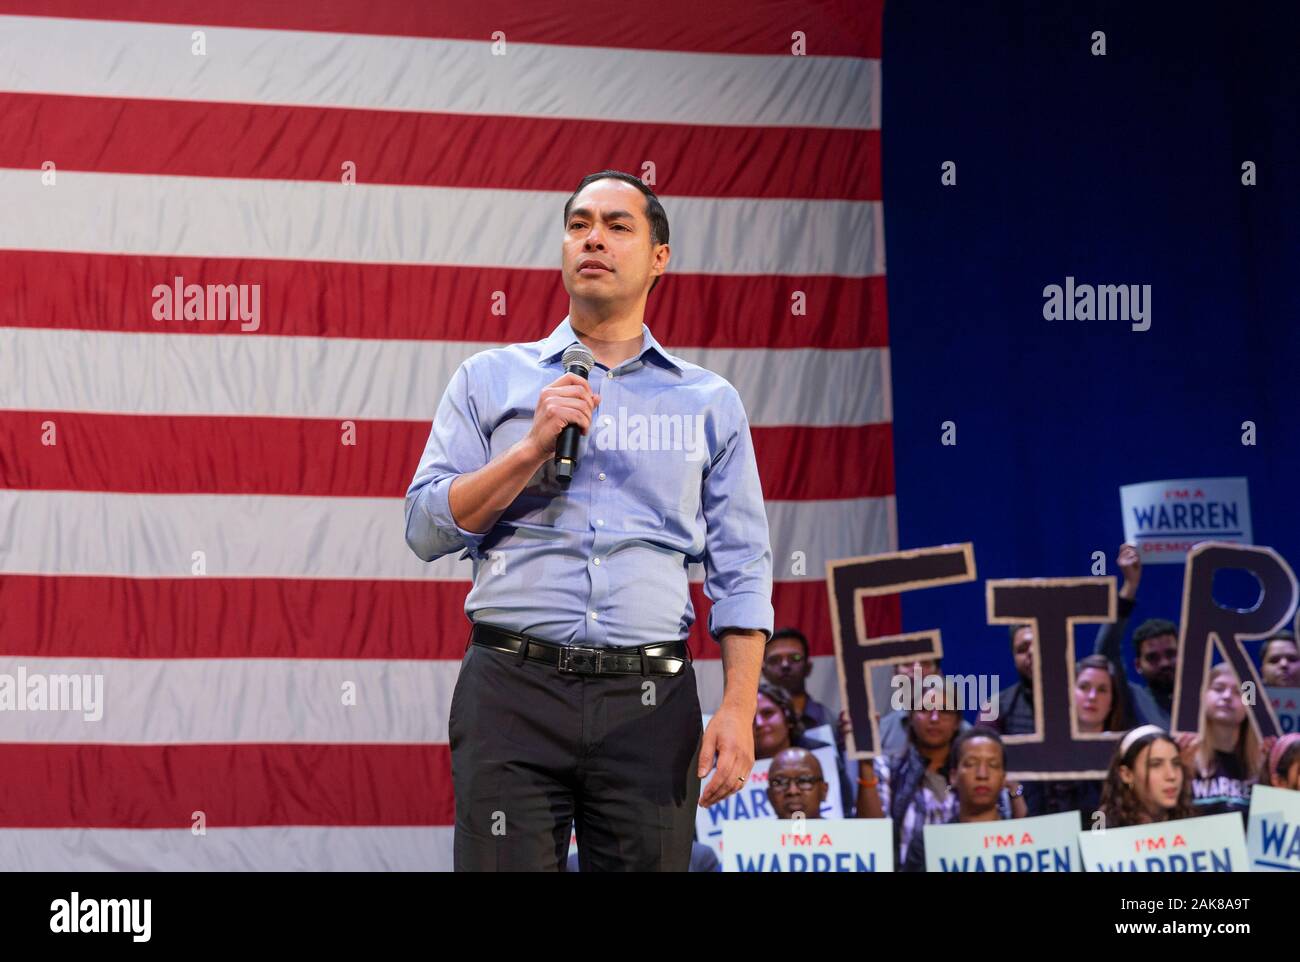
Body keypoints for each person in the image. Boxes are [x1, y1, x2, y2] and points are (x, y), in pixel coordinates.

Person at [406, 170, 774, 871]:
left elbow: (742, 568)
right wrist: (529, 448)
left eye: (616, 225)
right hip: (512, 690)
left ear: (659, 257)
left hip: (650, 701)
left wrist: (735, 707)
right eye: (578, 225)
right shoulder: (489, 378)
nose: (592, 239)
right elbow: (425, 527)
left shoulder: (708, 401)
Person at [862, 688, 1020, 867]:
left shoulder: (979, 772)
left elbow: (1013, 828)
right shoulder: (891, 769)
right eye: (925, 709)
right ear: (911, 717)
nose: (935, 718)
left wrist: (1017, 791)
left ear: (957, 721)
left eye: (944, 711)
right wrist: (865, 762)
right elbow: (871, 836)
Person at [1025, 654, 1126, 826]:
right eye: (1084, 687)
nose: (1092, 696)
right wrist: (1015, 791)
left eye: (1102, 690)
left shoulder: (1123, 753)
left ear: (1112, 702)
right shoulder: (1043, 752)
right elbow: (1032, 816)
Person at [903, 726, 1010, 872]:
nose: (982, 775)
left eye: (993, 765)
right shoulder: (928, 844)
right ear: (953, 776)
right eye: (971, 764)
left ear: (1003, 778)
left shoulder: (1025, 841)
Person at [754, 682, 852, 814]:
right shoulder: (731, 766)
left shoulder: (821, 756)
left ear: (787, 717)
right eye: (750, 718)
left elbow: (846, 811)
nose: (759, 723)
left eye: (768, 713)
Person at [1178, 663, 1259, 820]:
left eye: (1238, 692)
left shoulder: (1260, 765)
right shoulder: (1185, 756)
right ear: (1203, 695)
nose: (1227, 696)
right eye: (1218, 688)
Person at [1097, 725, 1194, 827]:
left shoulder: (1191, 821)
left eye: (1176, 763)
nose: (1171, 775)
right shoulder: (1102, 823)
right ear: (1127, 774)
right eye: (1155, 765)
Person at [762, 627, 836, 736]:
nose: (785, 665)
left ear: (808, 667)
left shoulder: (832, 722)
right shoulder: (752, 725)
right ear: (764, 671)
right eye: (774, 659)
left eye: (795, 658)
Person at [766, 748, 829, 820]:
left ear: (824, 791)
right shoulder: (755, 831)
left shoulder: (841, 831)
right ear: (769, 795)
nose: (793, 791)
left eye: (804, 780)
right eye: (780, 782)